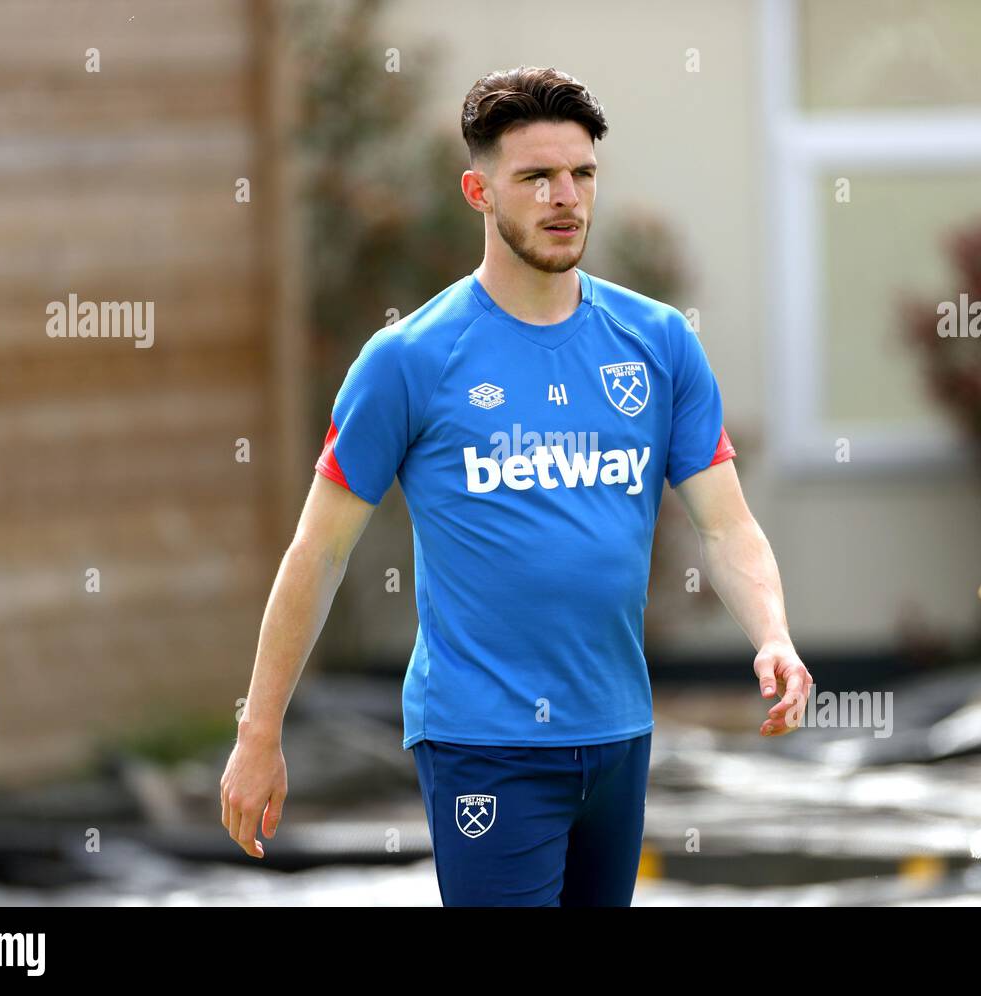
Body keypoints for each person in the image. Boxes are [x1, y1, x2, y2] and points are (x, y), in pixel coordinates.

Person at [220, 66, 811, 906]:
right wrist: (259, 731)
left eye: (581, 174)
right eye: (536, 177)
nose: (565, 196)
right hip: (482, 744)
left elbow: (726, 527)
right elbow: (317, 553)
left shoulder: (658, 342)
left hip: (618, 737)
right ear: (478, 190)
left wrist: (773, 636)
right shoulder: (409, 361)